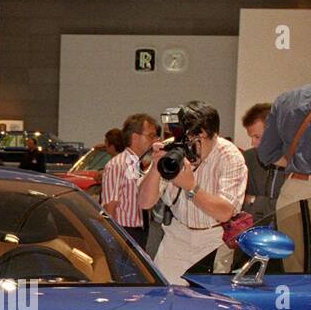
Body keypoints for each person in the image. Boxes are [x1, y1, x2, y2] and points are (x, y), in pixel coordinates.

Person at [137, 101, 247, 284]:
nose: (188, 147)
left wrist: (191, 188)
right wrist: (156, 167)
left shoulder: (230, 156)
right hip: (177, 235)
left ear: (208, 134)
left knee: (209, 304)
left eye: (194, 141)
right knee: (164, 295)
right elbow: (145, 203)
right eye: (185, 139)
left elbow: (225, 212)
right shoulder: (172, 148)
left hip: (214, 238)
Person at [259, 44, 311, 271]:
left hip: (292, 189)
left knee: (293, 268)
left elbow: (266, 153)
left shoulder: (285, 99)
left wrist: (296, 162)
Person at [100, 113, 158, 247]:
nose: (155, 140)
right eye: (150, 135)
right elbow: (110, 206)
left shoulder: (139, 164)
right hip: (124, 233)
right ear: (135, 137)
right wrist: (113, 240)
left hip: (139, 232)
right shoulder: (118, 165)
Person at [239, 102, 276, 220]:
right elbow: (239, 201)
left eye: (257, 137)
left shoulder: (296, 162)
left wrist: (254, 200)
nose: (253, 143)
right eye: (251, 137)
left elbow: (286, 206)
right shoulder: (247, 158)